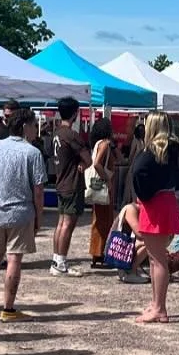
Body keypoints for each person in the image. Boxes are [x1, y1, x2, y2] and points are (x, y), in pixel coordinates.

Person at [0, 115, 47, 321]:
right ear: (25, 127)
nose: (36, 130)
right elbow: (39, 190)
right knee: (14, 259)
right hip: (20, 212)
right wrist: (39, 217)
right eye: (35, 126)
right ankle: (8, 309)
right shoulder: (32, 153)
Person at [130, 112, 179, 324]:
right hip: (168, 200)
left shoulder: (151, 150)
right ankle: (156, 304)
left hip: (155, 204)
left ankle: (160, 308)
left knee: (158, 259)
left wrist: (143, 193)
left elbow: (137, 172)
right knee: (156, 258)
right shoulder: (175, 148)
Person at [50, 97, 89, 276]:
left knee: (60, 223)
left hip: (60, 181)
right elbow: (88, 159)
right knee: (68, 224)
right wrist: (82, 163)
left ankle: (56, 259)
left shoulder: (56, 133)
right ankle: (61, 262)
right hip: (72, 183)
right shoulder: (71, 135)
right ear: (75, 113)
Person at [86, 118, 117, 269]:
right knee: (104, 220)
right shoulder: (105, 144)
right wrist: (107, 179)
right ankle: (100, 253)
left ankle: (97, 253)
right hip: (104, 185)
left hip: (98, 185)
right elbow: (97, 163)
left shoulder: (97, 144)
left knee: (99, 219)